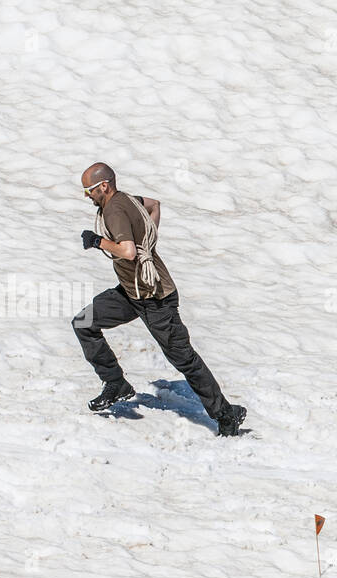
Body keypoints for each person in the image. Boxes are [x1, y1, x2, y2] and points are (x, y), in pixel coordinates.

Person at [72, 162, 247, 437]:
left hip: (156, 298)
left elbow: (128, 252)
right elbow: (155, 205)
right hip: (132, 293)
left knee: (184, 359)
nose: (87, 196)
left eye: (89, 190)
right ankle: (115, 383)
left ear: (103, 186)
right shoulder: (129, 199)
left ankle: (226, 414)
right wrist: (148, 244)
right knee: (84, 322)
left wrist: (98, 242)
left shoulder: (115, 209)